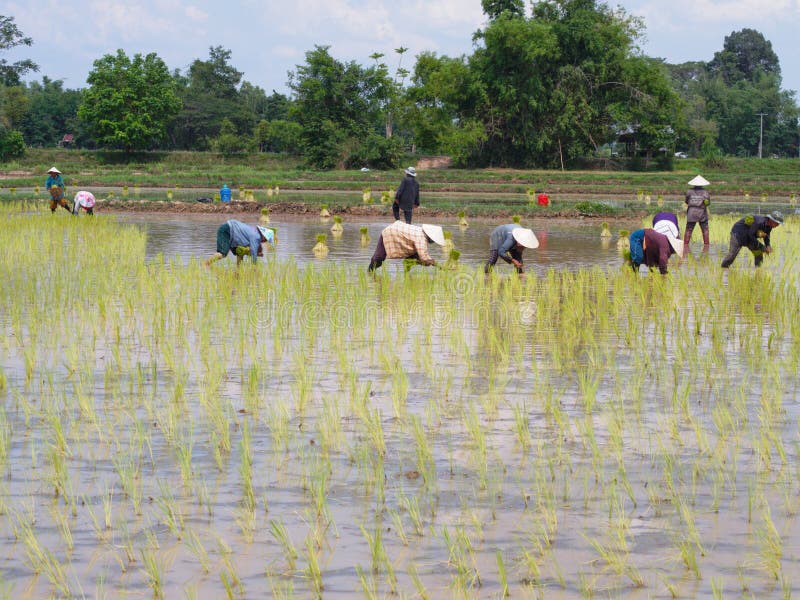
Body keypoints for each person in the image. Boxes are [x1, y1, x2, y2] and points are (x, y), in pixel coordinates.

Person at [368, 221, 445, 272]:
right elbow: (424, 258)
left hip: (396, 230)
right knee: (379, 257)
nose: (433, 242)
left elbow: (421, 255)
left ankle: (406, 274)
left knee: (414, 256)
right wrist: (436, 264)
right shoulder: (421, 238)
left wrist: (433, 263)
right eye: (433, 240)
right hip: (389, 233)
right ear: (430, 237)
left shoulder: (420, 231)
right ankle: (370, 272)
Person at [205, 219, 275, 266]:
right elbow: (253, 252)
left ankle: (238, 272)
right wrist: (255, 268)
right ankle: (206, 264)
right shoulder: (256, 236)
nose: (264, 242)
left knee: (240, 253)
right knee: (222, 254)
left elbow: (248, 250)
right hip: (227, 230)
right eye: (266, 240)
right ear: (264, 236)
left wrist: (257, 253)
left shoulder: (254, 232)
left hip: (233, 234)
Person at [683, 175, 711, 252]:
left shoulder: (689, 192)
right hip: (702, 213)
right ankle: (706, 246)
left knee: (688, 230)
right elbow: (708, 203)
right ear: (702, 184)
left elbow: (686, 201)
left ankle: (685, 245)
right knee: (705, 230)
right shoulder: (705, 192)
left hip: (691, 213)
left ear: (694, 184)